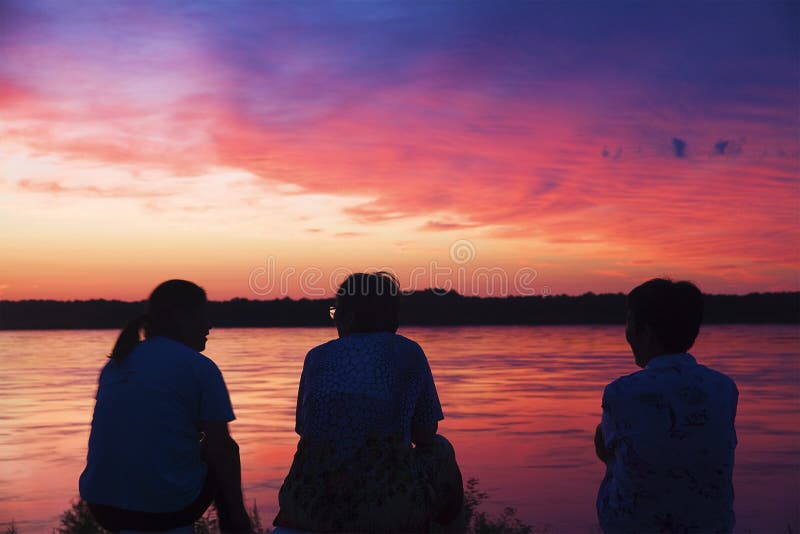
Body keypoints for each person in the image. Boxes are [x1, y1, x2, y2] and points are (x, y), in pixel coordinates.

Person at [273, 272, 464, 532]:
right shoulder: (409, 352)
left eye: (335, 313)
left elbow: (304, 429)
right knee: (441, 449)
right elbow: (426, 434)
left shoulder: (316, 357)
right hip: (385, 509)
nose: (335, 321)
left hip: (306, 505)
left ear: (349, 316)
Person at [79, 279, 252, 533]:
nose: (209, 325)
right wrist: (237, 513)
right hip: (163, 511)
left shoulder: (117, 362)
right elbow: (222, 448)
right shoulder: (199, 367)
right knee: (221, 450)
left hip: (102, 506)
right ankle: (236, 527)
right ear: (180, 318)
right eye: (202, 315)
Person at [595, 278, 738, 533]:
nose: (626, 331)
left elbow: (606, 449)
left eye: (629, 321)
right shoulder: (724, 388)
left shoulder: (621, 392)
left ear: (647, 332)